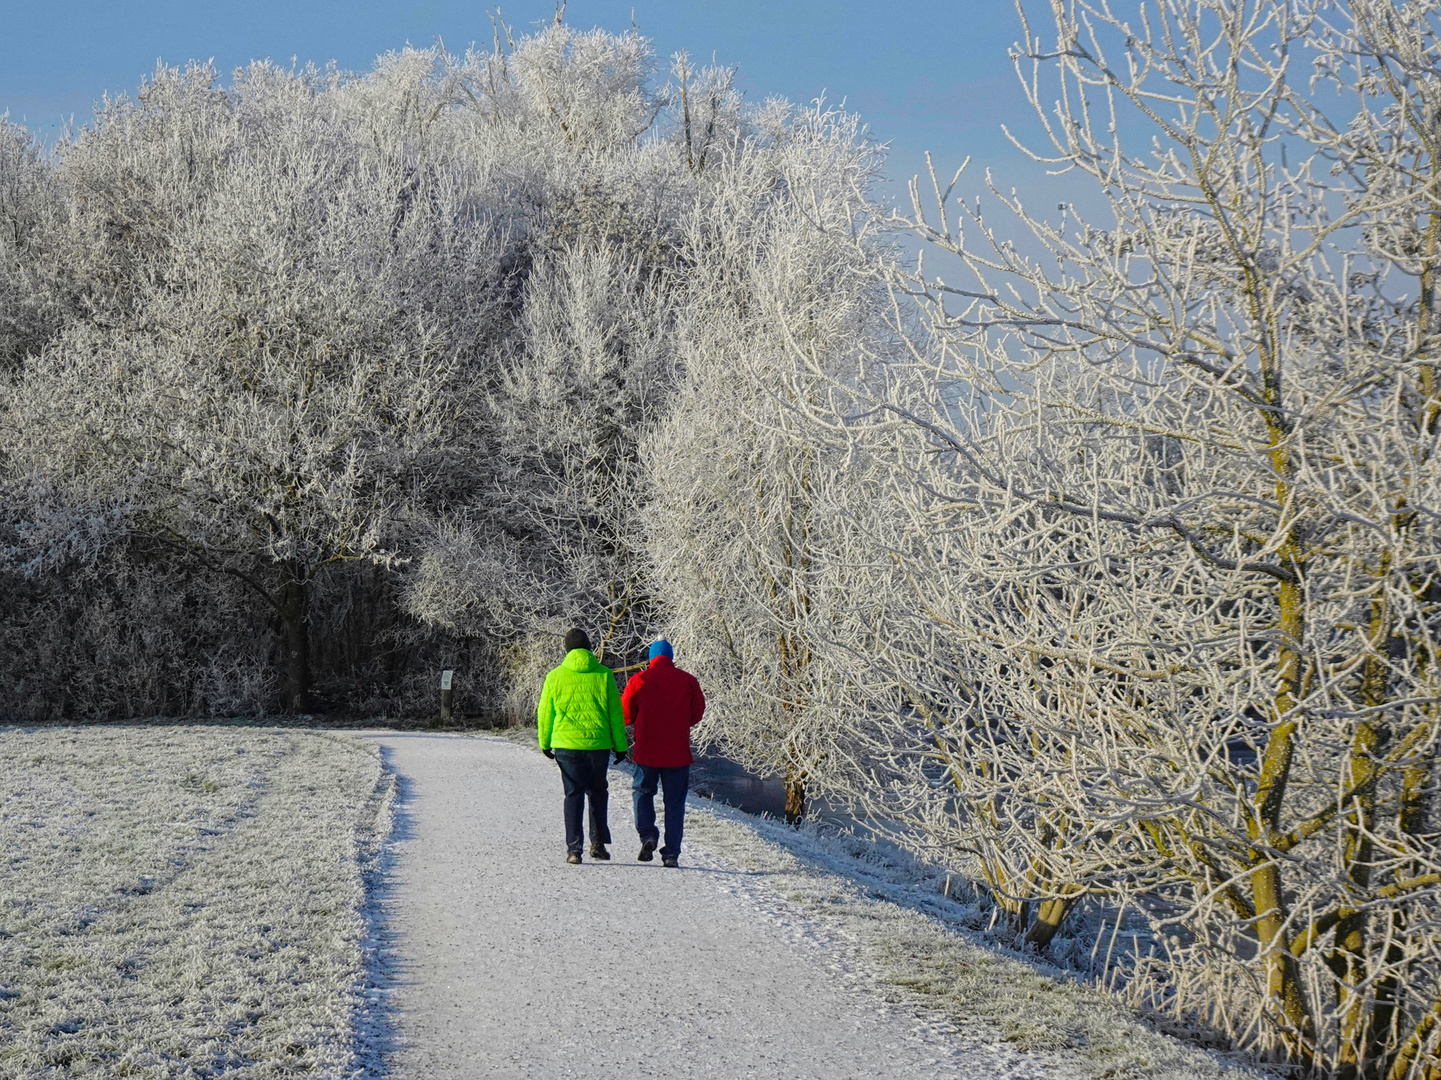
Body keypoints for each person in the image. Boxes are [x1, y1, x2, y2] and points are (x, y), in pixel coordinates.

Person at [536, 627, 629, 864]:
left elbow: (545, 713)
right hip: (597, 744)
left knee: (573, 794)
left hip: (566, 745)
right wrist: (621, 746)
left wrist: (545, 742)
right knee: (598, 792)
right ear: (589, 648)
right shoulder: (604, 675)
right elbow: (615, 715)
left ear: (566, 649)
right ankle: (597, 843)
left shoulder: (555, 676)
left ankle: (573, 849)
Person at [621, 639, 705, 868]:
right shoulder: (688, 681)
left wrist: (638, 721)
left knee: (642, 792)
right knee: (675, 802)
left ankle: (647, 834)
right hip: (677, 752)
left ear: (651, 658)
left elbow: (626, 713)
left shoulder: (639, 680)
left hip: (646, 750)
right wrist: (680, 723)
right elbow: (697, 713)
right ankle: (671, 854)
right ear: (671, 656)